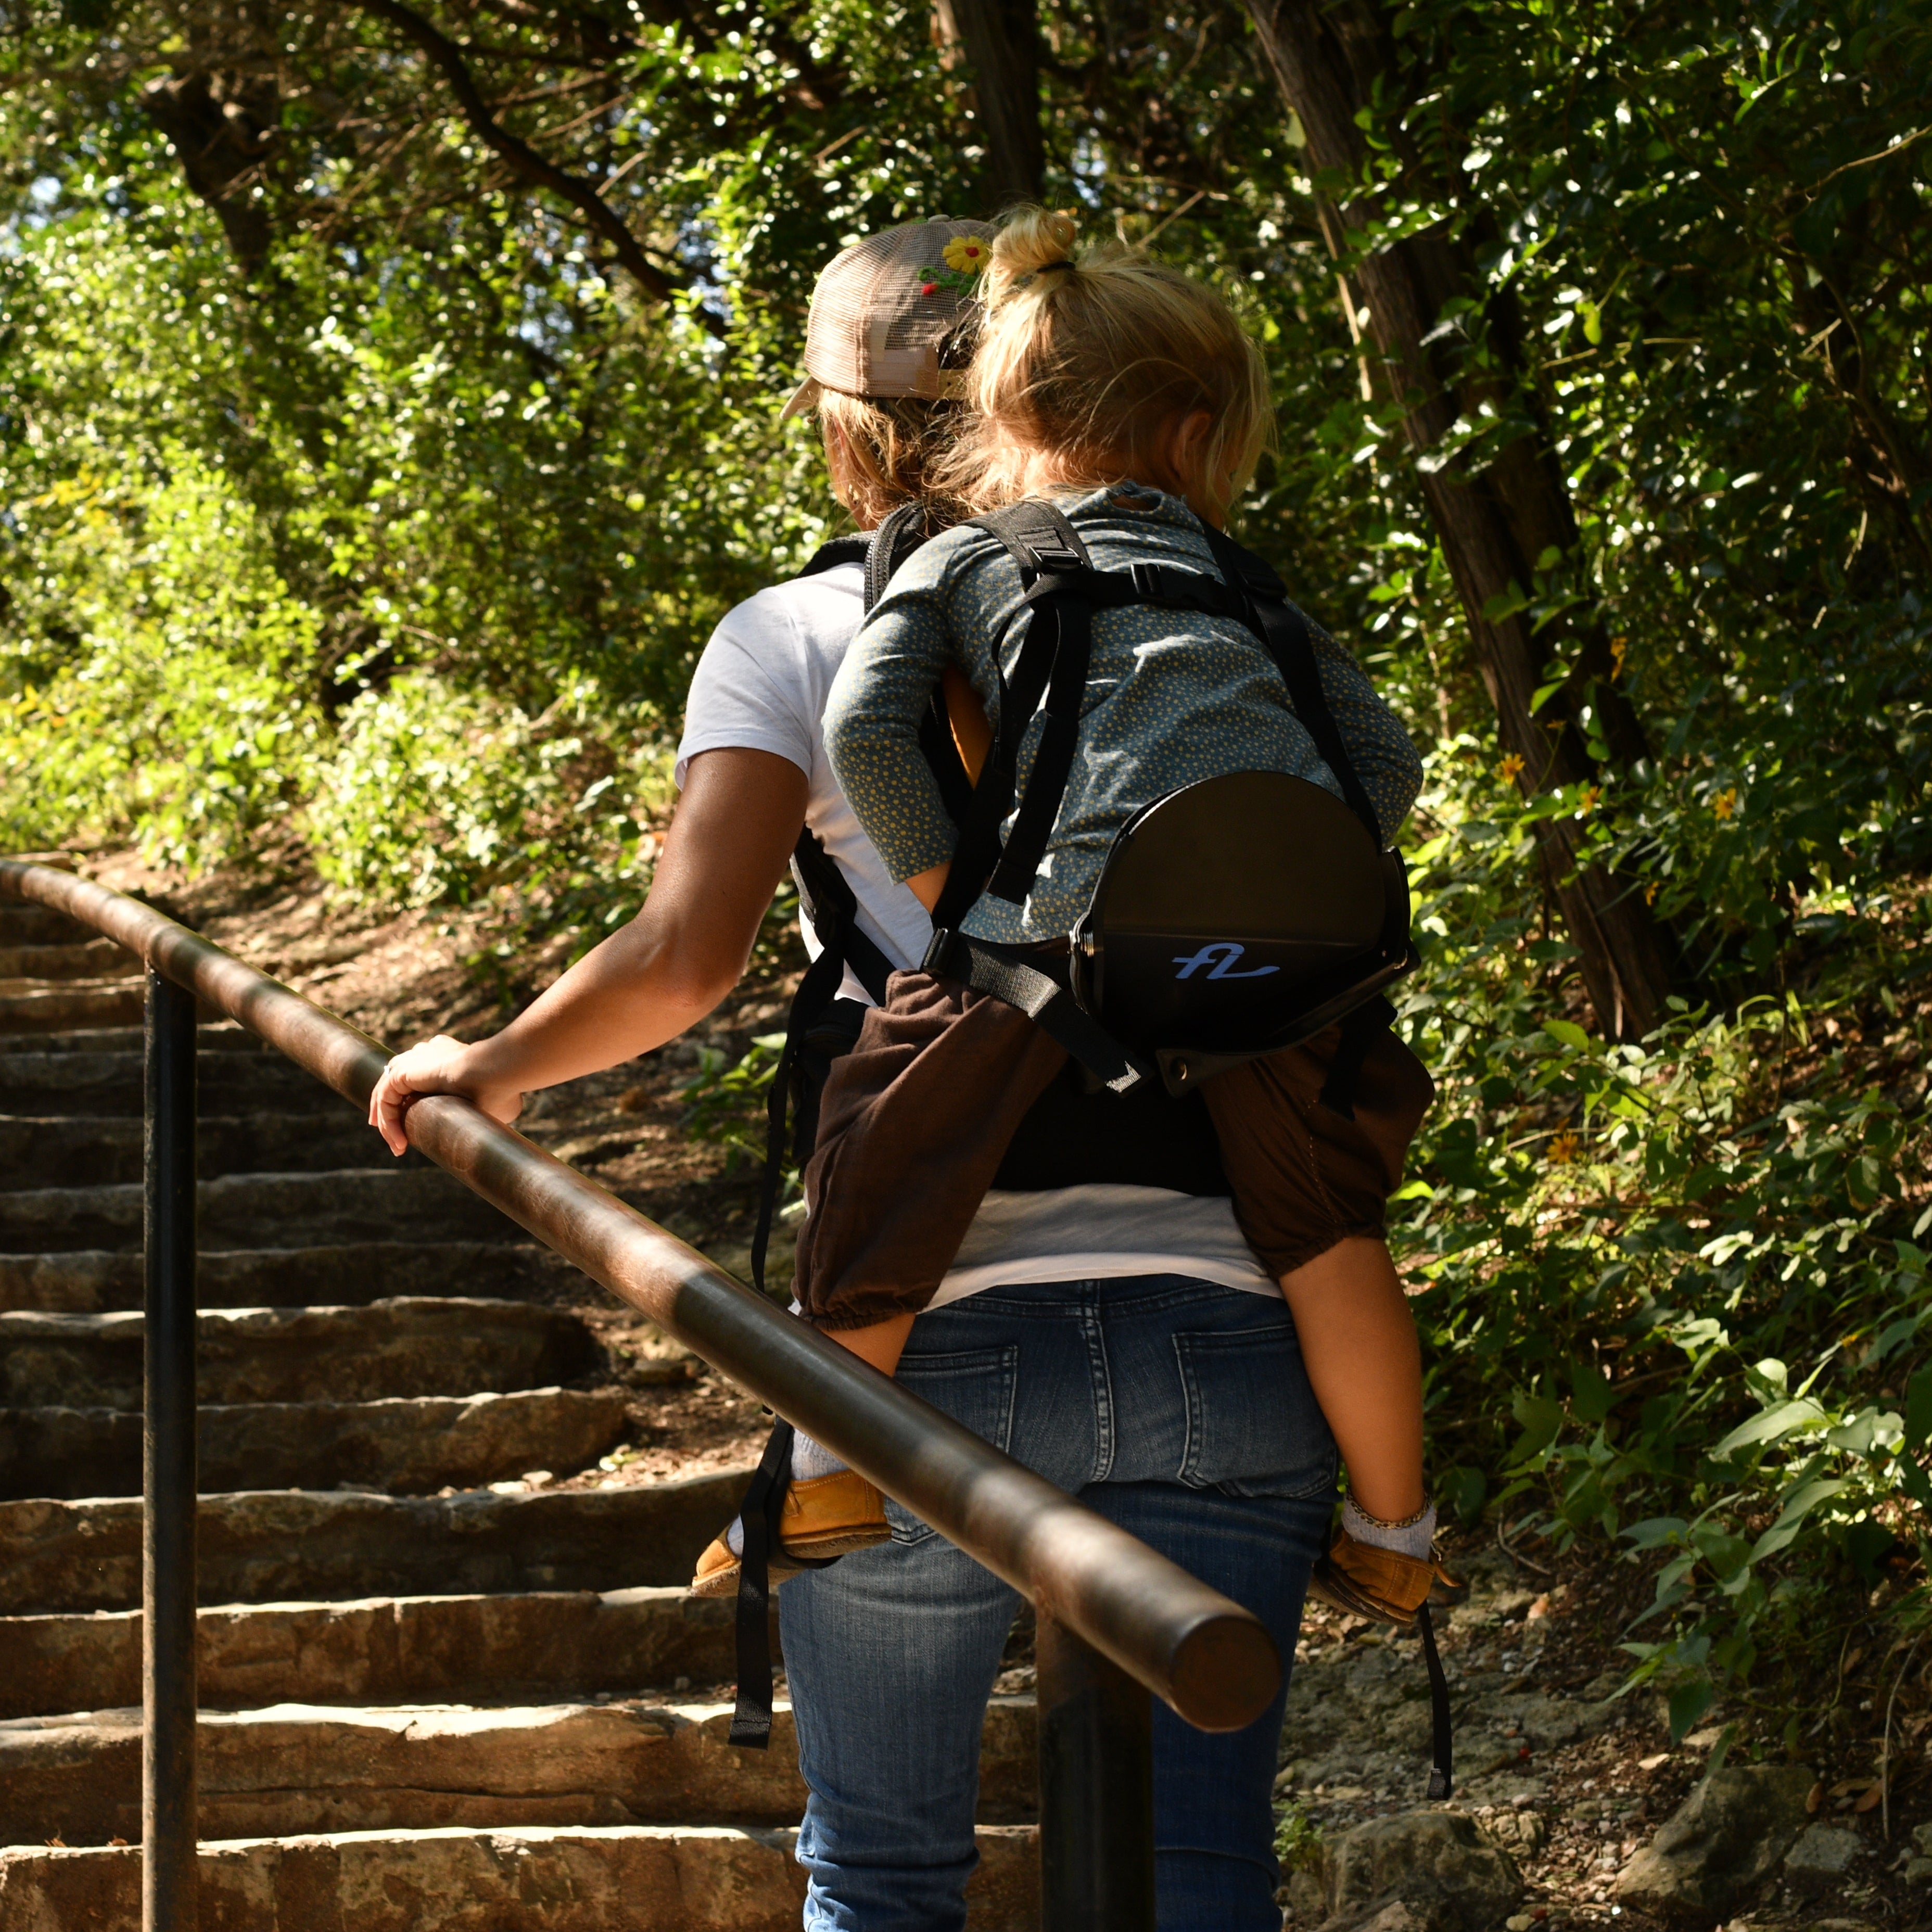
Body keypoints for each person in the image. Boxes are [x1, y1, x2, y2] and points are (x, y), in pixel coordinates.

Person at [370, 215, 1341, 1932]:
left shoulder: (805, 632)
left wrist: (494, 1067)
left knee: (884, 1875)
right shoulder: (1216, 614)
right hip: (1232, 1305)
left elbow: (688, 955)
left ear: (839, 423)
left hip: (919, 1334)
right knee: (1199, 1879)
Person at [780, 205, 1453, 1638]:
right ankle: (1398, 1532)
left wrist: (961, 902)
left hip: (1054, 943)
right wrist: (1274, 891)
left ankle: (826, 1471)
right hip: (1272, 962)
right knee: (1327, 1224)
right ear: (1200, 433)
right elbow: (1382, 767)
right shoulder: (1249, 586)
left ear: (1009, 412)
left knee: (889, 1152)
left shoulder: (966, 564)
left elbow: (869, 728)